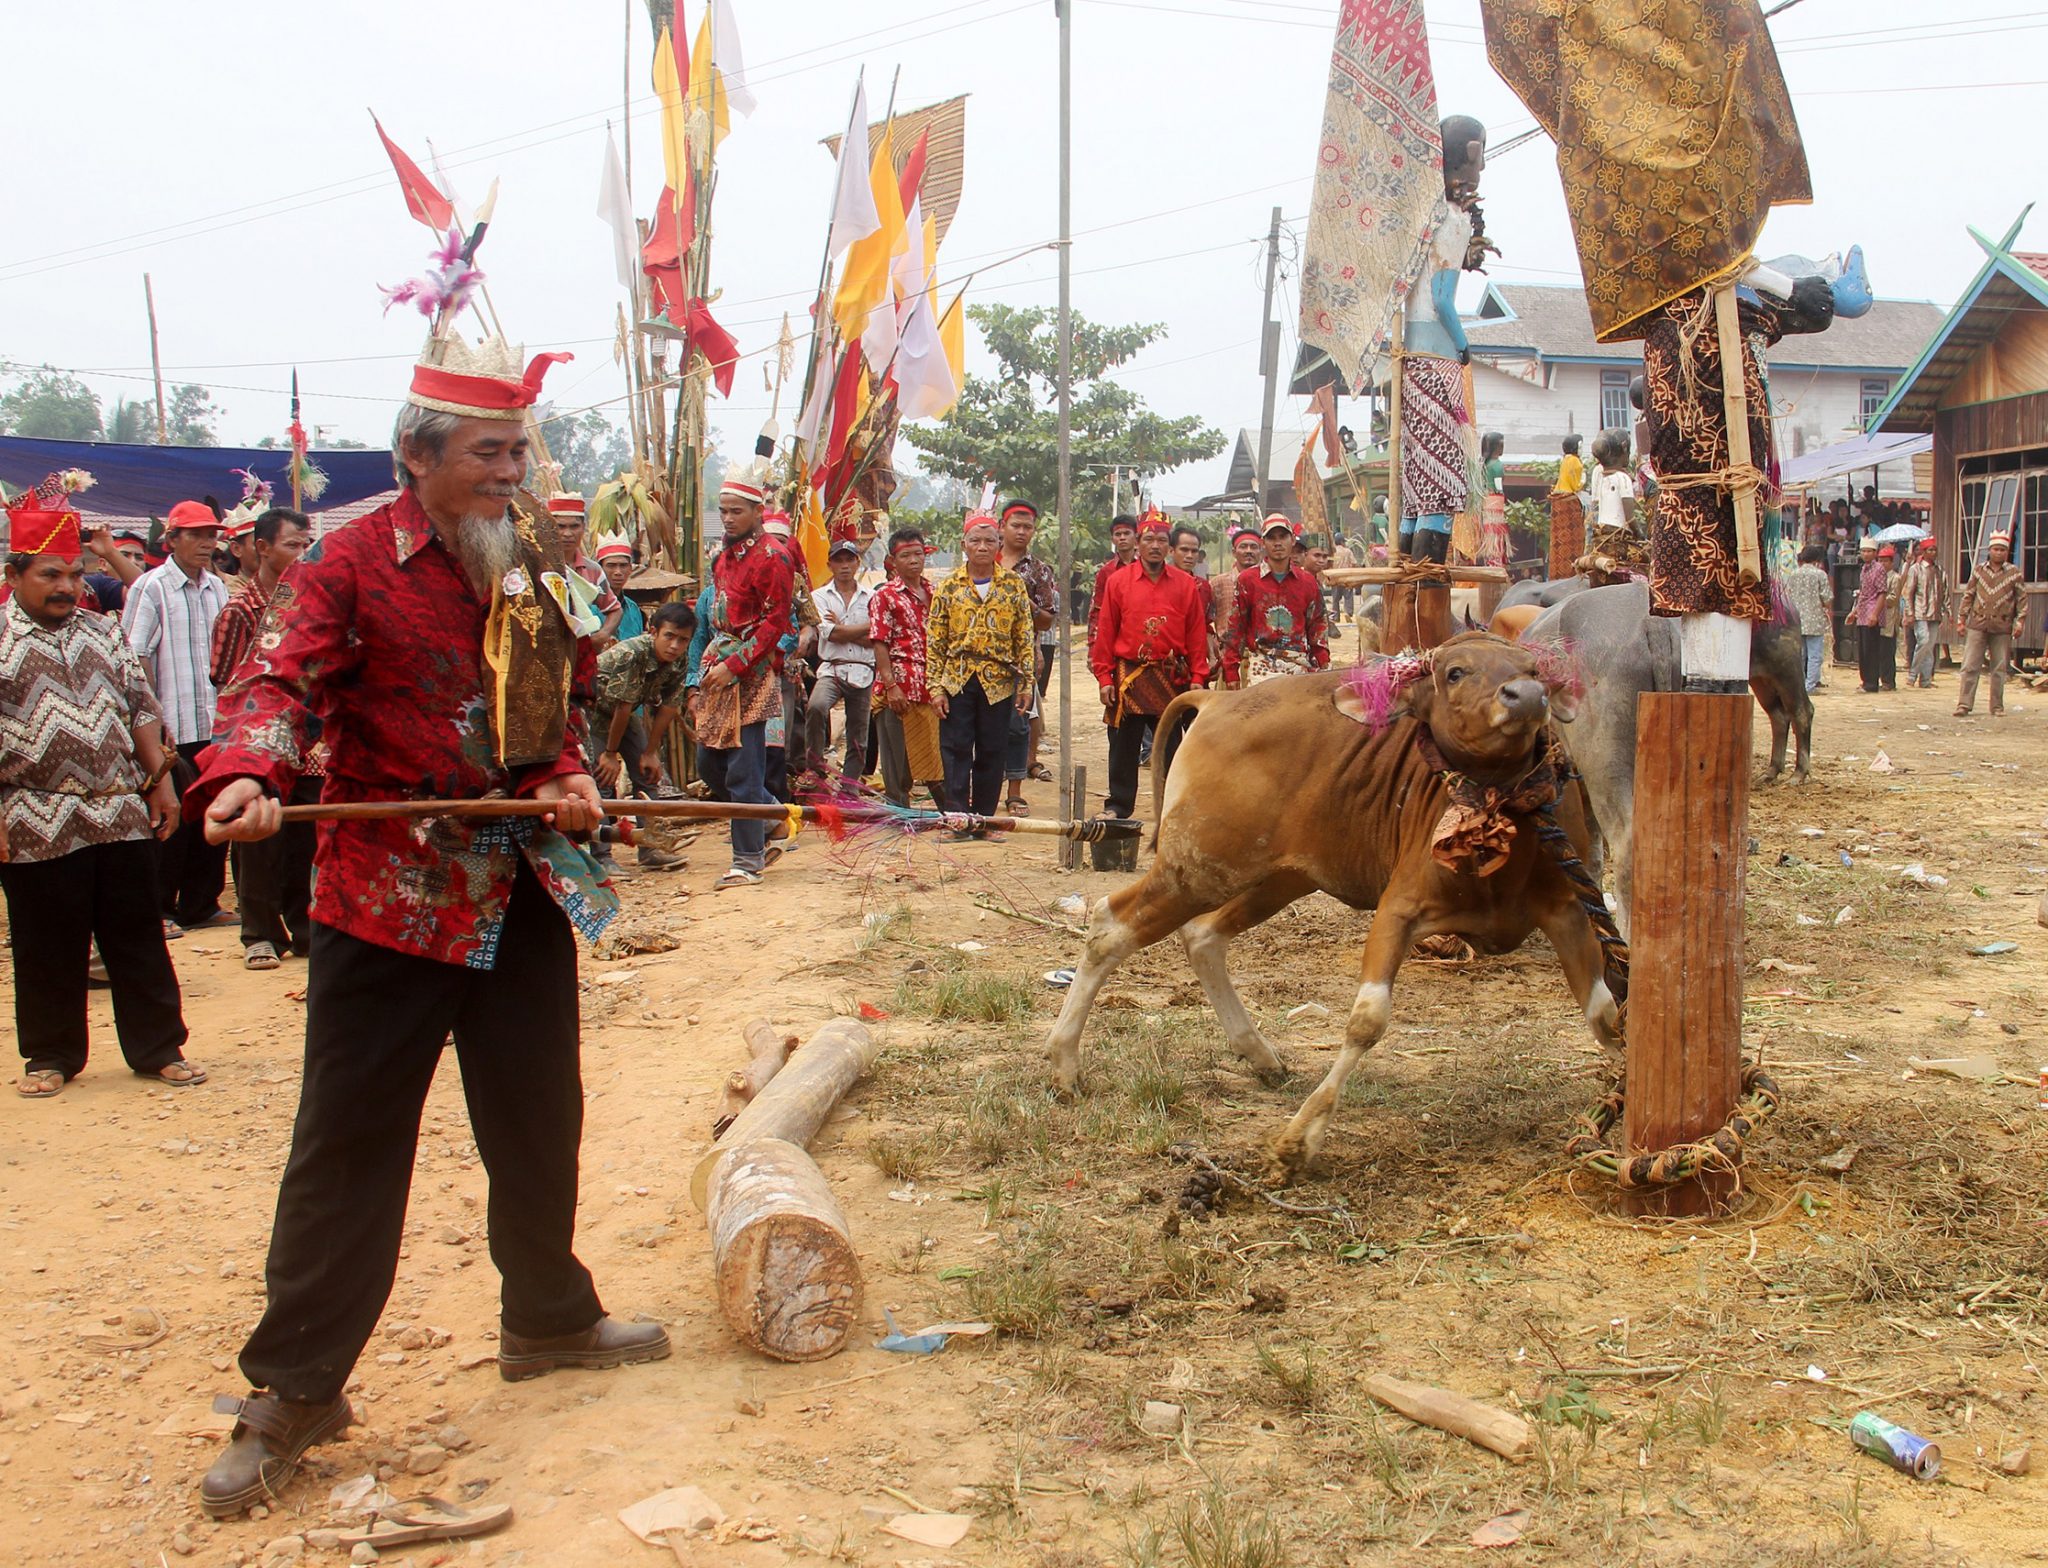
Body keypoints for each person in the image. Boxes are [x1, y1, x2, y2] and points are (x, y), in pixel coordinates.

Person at [190, 329, 665, 1518]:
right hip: (388, 901)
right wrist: (250, 771)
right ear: (417, 453)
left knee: (538, 1116)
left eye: (519, 449)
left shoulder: (522, 565)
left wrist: (561, 772)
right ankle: (293, 1386)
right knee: (348, 1147)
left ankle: (546, 1314)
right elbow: (275, 682)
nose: (510, 472)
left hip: (521, 889)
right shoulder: (347, 561)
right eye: (486, 451)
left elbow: (554, 707)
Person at [1, 479, 201, 1099]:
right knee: (46, 941)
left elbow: (139, 706)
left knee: (137, 933)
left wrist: (160, 784)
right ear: (16, 574)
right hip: (34, 813)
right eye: (51, 575)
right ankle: (51, 1056)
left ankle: (157, 1049)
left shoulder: (103, 631)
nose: (67, 586)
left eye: (75, 573)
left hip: (119, 809)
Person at [208, 507, 315, 970]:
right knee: (257, 837)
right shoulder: (240, 610)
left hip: (311, 744)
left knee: (305, 837)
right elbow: (227, 679)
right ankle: (260, 932)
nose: (301, 554)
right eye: (292, 544)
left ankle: (307, 926)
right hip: (255, 741)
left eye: (305, 545)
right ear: (263, 548)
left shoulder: (312, 603)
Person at [123, 498, 232, 931]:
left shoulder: (218, 587)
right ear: (172, 540)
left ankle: (201, 904)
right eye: (197, 535)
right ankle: (160, 908)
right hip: (172, 723)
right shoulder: (151, 587)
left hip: (214, 721)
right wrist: (151, 719)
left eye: (211, 535)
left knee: (213, 815)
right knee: (171, 817)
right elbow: (135, 656)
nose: (207, 543)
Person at [699, 467, 796, 888]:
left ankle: (747, 859)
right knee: (708, 764)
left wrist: (734, 665)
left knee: (744, 768)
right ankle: (773, 815)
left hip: (751, 673)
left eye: (736, 511)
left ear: (758, 510)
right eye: (723, 512)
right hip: (717, 666)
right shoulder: (723, 557)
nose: (728, 519)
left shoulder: (773, 557)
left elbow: (776, 624)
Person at [1091, 513, 1208, 819]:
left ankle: (1172, 808)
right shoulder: (1117, 582)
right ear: (1138, 543)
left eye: (1161, 540)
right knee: (1122, 747)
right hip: (1128, 674)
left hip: (1170, 675)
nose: (1155, 546)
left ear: (1169, 547)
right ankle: (1119, 805)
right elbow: (1106, 632)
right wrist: (1104, 676)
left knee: (1171, 747)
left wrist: (1198, 675)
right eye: (1148, 540)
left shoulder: (1185, 584)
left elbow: (1196, 633)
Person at [926, 514, 1035, 833]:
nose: (982, 547)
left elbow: (1024, 635)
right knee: (956, 749)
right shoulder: (948, 586)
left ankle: (985, 820)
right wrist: (935, 688)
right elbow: (935, 640)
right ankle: (958, 818)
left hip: (998, 680)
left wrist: (1026, 682)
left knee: (993, 748)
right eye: (975, 540)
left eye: (989, 541)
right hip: (957, 677)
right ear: (964, 545)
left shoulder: (1013, 585)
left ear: (999, 544)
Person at [590, 600, 694, 875]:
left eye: (682, 640)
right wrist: (611, 754)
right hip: (592, 708)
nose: (674, 645)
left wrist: (650, 752)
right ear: (653, 632)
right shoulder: (632, 653)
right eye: (669, 636)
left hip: (624, 712)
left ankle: (650, 849)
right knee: (602, 778)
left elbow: (670, 707)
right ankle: (601, 856)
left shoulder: (680, 659)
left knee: (648, 777)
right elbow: (622, 707)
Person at [868, 526, 948, 810]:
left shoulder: (936, 592)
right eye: (906, 555)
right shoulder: (885, 596)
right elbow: (880, 642)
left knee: (935, 756)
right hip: (899, 686)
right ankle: (899, 815)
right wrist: (891, 686)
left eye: (918, 553)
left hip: (931, 686)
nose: (914, 560)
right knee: (897, 761)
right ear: (893, 560)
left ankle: (952, 814)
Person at [996, 501, 1060, 812]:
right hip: (979, 658)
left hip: (1018, 656)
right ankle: (983, 789)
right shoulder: (982, 560)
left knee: (1018, 723)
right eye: (1015, 525)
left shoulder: (1038, 571)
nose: (1021, 532)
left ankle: (1014, 791)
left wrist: (1021, 601)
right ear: (1001, 526)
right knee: (978, 726)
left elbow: (1047, 619)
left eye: (1027, 527)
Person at [1220, 515, 1330, 686]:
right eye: (1271, 537)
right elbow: (1236, 627)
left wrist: (1324, 662)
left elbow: (1318, 626)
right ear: (1263, 543)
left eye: (1283, 537)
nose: (1277, 543)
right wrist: (1231, 670)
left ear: (1293, 540)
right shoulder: (1248, 580)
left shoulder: (1307, 582)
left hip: (1298, 666)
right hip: (1260, 666)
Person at [806, 539, 876, 785]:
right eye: (839, 560)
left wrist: (843, 627)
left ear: (858, 562)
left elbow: (878, 639)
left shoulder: (873, 597)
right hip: (832, 667)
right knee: (816, 707)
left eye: (850, 559)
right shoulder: (819, 596)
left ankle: (850, 787)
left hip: (863, 669)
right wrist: (865, 629)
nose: (845, 565)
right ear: (830, 564)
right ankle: (815, 771)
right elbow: (830, 634)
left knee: (859, 735)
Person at [1954, 531, 2026, 717]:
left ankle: (1997, 706)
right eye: (1996, 549)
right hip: (1977, 623)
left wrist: (2019, 623)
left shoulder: (2014, 573)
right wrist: (1961, 619)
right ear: (1989, 550)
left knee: (1999, 668)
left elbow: (2022, 601)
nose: (1999, 553)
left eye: (2002, 550)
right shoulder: (1978, 571)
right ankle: (1964, 704)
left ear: (2007, 552)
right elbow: (1968, 595)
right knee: (1970, 665)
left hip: (2002, 626)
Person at [549, 495, 624, 647]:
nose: (567, 534)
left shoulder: (593, 570)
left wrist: (602, 635)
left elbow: (615, 610)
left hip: (582, 652)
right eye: (560, 526)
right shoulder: (540, 566)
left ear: (584, 528)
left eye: (574, 527)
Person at [1207, 523, 1264, 680]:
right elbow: (1204, 623)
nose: (1248, 551)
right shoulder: (1218, 583)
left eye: (1254, 547)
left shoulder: (1269, 584)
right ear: (1234, 551)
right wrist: (1213, 655)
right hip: (1228, 659)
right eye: (1243, 546)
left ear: (1261, 551)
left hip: (1262, 662)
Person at [1900, 537, 1948, 689]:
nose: (1933, 553)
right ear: (1924, 551)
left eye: (1934, 550)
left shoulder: (1940, 571)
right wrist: (1909, 613)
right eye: (1929, 550)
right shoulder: (1916, 569)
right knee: (1923, 641)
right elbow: (1908, 593)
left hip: (1935, 614)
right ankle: (1913, 674)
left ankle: (1926, 679)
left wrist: (1949, 613)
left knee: (1929, 646)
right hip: (1920, 612)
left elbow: (1945, 593)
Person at [1086, 515, 1140, 649]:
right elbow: (1096, 610)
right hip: (1115, 636)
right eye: (1118, 534)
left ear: (1136, 537)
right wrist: (1093, 645)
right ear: (1113, 539)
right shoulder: (1106, 572)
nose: (1122, 537)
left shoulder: (1148, 567)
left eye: (1127, 533)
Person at [1785, 544, 1832, 693]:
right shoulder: (1820, 575)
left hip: (1796, 619)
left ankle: (1800, 685)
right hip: (1814, 620)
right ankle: (1810, 685)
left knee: (1800, 655)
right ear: (1817, 559)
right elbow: (1827, 598)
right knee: (1815, 655)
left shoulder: (1793, 574)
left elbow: (1788, 597)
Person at [1851, 540, 1896, 692]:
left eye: (1869, 551)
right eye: (1863, 551)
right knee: (1863, 651)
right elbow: (1863, 593)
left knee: (1871, 650)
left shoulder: (1879, 569)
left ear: (1875, 553)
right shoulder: (1864, 569)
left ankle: (1871, 683)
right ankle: (1865, 681)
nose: (1866, 554)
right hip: (1862, 612)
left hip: (1872, 612)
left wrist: (1875, 614)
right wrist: (1854, 611)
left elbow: (1882, 593)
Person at [594, 529, 644, 640]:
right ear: (599, 569)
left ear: (630, 569)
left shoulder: (633, 608)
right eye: (611, 565)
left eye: (623, 565)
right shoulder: (590, 606)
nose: (618, 572)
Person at [1549, 434, 1586, 579]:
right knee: (1574, 540)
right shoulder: (1576, 461)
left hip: (1558, 500)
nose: (1582, 450)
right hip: (1570, 502)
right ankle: (1571, 574)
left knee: (1558, 541)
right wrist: (1584, 479)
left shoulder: (1565, 460)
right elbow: (1576, 485)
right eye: (1581, 446)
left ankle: (1557, 574)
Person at [1478, 432, 1509, 566]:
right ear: (1496, 446)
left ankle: (1491, 560)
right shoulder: (1497, 465)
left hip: (1486, 501)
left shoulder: (1484, 464)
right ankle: (1496, 561)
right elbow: (1498, 486)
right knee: (1497, 532)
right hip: (1496, 501)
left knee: (1489, 532)